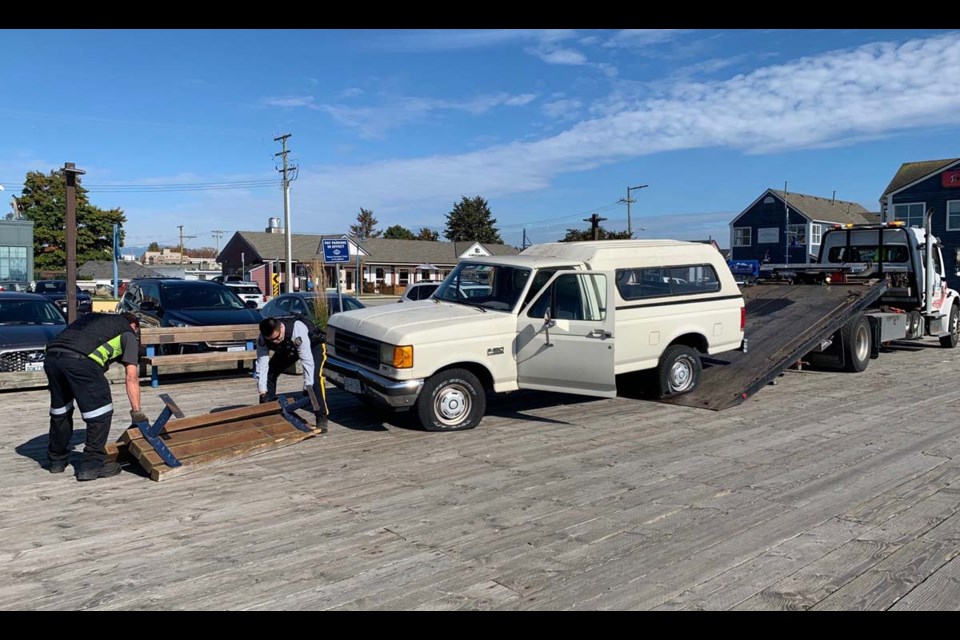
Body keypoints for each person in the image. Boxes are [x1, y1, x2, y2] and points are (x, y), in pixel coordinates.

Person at [44, 311, 145, 481]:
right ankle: (92, 465)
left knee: (60, 410)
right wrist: (137, 412)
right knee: (100, 412)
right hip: (81, 362)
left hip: (52, 357)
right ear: (134, 326)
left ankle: (57, 461)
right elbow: (131, 377)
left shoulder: (96, 320)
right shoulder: (127, 332)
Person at [255, 315, 329, 432]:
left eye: (277, 338)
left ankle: (321, 416)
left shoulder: (297, 329)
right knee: (270, 373)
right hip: (288, 348)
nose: (275, 342)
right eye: (271, 340)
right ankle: (267, 412)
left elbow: (307, 362)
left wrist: (307, 387)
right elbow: (262, 365)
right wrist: (262, 391)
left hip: (313, 346)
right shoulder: (263, 339)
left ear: (281, 328)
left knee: (314, 380)